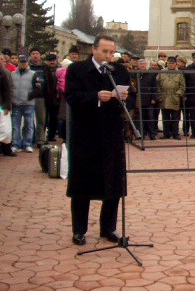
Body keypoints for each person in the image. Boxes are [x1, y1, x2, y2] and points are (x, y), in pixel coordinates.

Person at [65, 35, 131, 246]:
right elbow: (71, 97)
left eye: (112, 53)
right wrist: (95, 96)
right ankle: (79, 230)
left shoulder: (119, 71)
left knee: (113, 183)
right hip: (85, 135)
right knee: (82, 184)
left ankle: (108, 228)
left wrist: (126, 99)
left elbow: (132, 96)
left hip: (111, 134)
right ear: (93, 49)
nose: (109, 56)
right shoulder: (77, 70)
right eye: (105, 52)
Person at [10, 55, 36, 153]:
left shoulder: (33, 74)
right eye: (21, 62)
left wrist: (29, 96)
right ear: (18, 62)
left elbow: (37, 88)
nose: (23, 63)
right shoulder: (12, 74)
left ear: (28, 62)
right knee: (16, 126)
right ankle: (16, 144)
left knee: (29, 125)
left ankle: (28, 144)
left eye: (25, 62)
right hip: (16, 103)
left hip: (28, 103)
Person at [156, 56, 185, 140]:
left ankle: (175, 133)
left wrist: (178, 94)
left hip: (174, 98)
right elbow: (157, 84)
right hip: (164, 98)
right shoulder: (162, 72)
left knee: (175, 118)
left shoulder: (179, 73)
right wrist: (160, 94)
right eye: (169, 63)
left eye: (172, 63)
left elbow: (182, 86)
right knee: (165, 118)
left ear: (176, 64)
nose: (171, 65)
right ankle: (166, 134)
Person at [0, 55, 16, 156]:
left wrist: (7, 106)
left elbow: (7, 91)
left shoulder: (4, 74)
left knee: (6, 131)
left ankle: (6, 149)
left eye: (1, 59)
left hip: (2, 105)